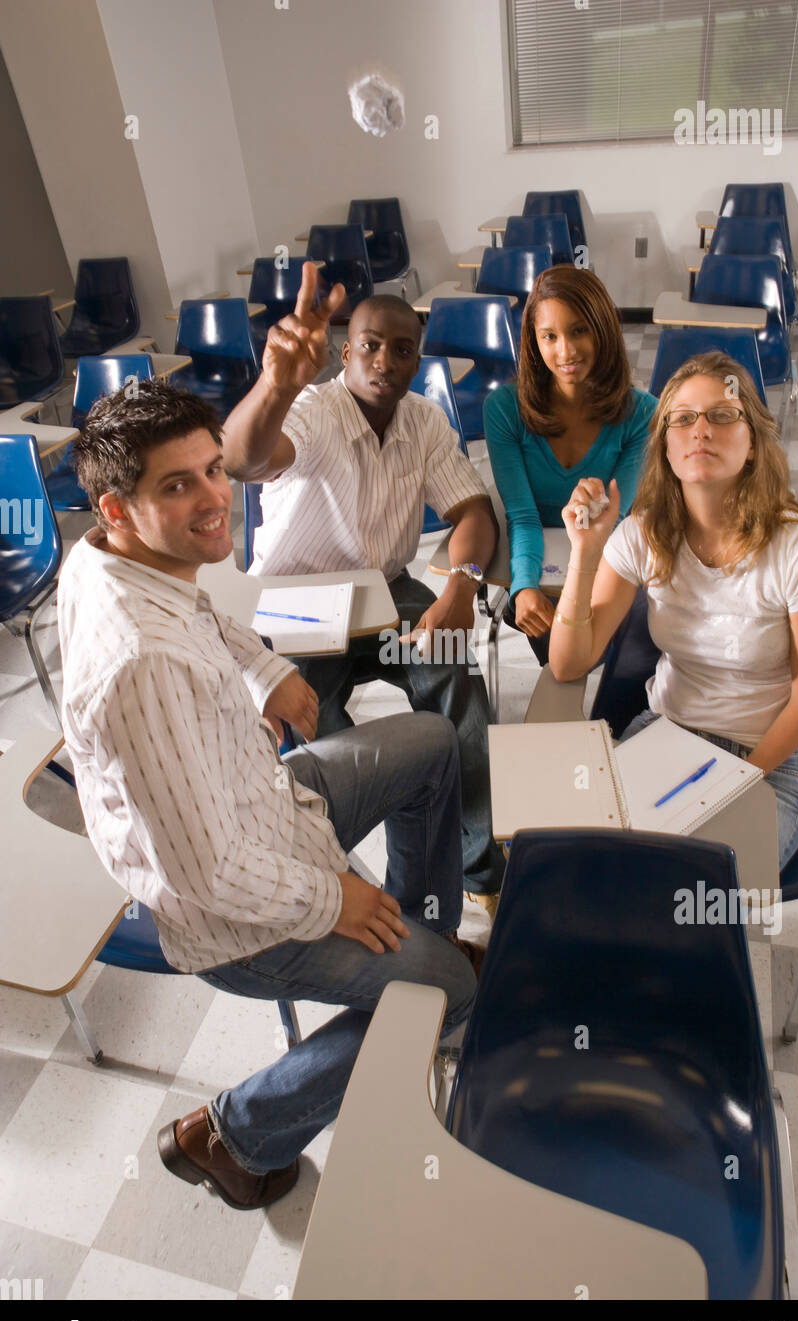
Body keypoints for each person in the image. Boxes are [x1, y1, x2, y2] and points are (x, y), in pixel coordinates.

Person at [57, 376, 476, 1212]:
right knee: (451, 994)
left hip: (265, 797)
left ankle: (411, 945)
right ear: (116, 507)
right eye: (179, 487)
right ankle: (236, 1133)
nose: (219, 499)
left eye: (216, 470)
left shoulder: (114, 555)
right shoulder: (141, 666)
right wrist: (338, 902)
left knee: (430, 742)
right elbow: (208, 876)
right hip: (239, 917)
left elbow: (203, 614)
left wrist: (268, 669)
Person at [221, 262, 505, 915]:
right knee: (317, 729)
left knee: (456, 680)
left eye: (402, 350)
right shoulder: (313, 409)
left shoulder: (426, 421)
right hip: (295, 603)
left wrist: (460, 587)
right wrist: (275, 383)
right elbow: (242, 460)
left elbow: (473, 514)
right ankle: (341, 881)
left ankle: (479, 869)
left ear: (416, 361)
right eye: (370, 345)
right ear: (345, 354)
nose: (385, 360)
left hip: (385, 593)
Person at [549, 351, 798, 869]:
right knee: (590, 866)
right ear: (665, 446)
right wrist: (584, 551)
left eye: (722, 415)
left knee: (694, 885)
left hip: (768, 763)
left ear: (752, 443)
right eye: (682, 418)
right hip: (666, 736)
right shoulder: (642, 533)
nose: (700, 429)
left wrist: (731, 782)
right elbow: (568, 664)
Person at [484, 266, 656, 665]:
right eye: (550, 336)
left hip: (604, 559)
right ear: (534, 341)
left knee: (628, 643)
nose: (566, 352)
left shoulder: (641, 413)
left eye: (579, 331)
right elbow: (522, 517)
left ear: (603, 330)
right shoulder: (503, 409)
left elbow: (613, 521)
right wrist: (525, 587)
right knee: (557, 648)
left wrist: (583, 592)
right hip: (537, 566)